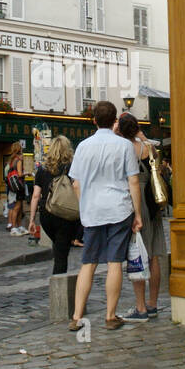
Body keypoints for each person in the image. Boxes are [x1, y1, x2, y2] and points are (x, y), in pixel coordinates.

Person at [67, 101, 144, 331]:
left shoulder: (82, 146)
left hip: (92, 211)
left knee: (88, 263)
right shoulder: (124, 146)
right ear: (115, 122)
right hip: (118, 209)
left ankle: (77, 315)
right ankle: (110, 315)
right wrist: (137, 213)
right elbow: (133, 181)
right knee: (114, 263)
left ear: (93, 121)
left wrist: (85, 206)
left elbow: (76, 183)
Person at [114, 113, 166, 321]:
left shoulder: (123, 148)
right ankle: (153, 304)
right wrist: (142, 137)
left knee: (137, 252)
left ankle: (141, 307)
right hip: (152, 200)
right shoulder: (147, 147)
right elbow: (158, 164)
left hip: (135, 199)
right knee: (153, 254)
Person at [27, 135, 81, 276]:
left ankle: (58, 281)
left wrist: (32, 219)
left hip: (47, 214)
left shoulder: (42, 169)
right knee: (61, 255)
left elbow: (35, 195)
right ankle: (59, 288)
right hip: (65, 213)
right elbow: (76, 187)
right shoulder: (72, 166)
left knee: (58, 246)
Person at [5, 154, 27, 235]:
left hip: (13, 187)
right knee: (17, 207)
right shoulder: (19, 161)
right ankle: (15, 227)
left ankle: (19, 226)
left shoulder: (12, 161)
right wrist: (27, 173)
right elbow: (20, 174)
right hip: (19, 186)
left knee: (18, 207)